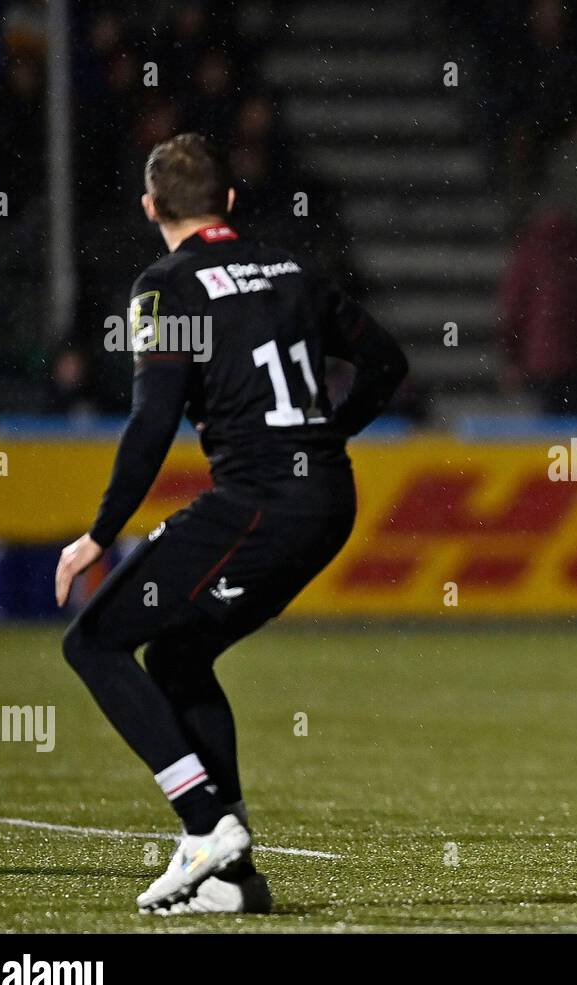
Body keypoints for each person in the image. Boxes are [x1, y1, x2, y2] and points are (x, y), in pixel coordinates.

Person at [56, 133, 408, 912]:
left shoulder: (166, 288)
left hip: (259, 502)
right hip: (325, 500)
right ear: (230, 203)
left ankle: (204, 826)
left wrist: (99, 535)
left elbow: (152, 424)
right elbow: (387, 362)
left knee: (94, 641)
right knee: (178, 659)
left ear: (152, 208)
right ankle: (233, 880)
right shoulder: (290, 270)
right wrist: (330, 435)